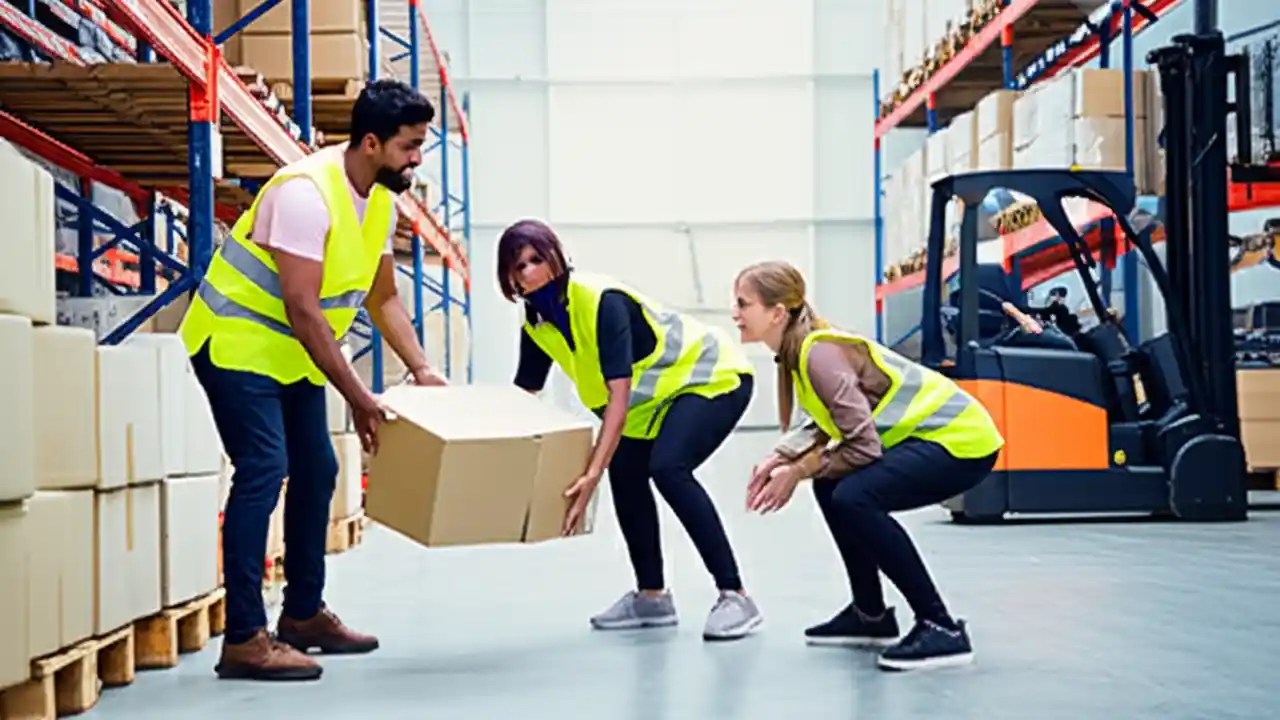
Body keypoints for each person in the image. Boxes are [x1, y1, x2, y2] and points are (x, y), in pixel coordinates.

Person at [178, 79, 448, 682]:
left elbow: (383, 299)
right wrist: (359, 397)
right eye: (409, 146)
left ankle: (301, 615)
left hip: (292, 357)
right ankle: (245, 636)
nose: (417, 158)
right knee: (264, 469)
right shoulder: (306, 194)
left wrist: (422, 368)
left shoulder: (380, 200)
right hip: (236, 343)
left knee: (319, 468)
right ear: (372, 142)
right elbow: (303, 307)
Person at [498, 219, 764, 641]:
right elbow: (524, 395)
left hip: (708, 377)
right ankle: (652, 597)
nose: (530, 271)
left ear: (556, 258)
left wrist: (590, 474)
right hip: (650, 406)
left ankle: (736, 595)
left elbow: (616, 402)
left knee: (669, 468)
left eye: (537, 259)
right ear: (509, 277)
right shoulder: (537, 325)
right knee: (626, 476)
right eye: (518, 266)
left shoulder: (600, 301)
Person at [731, 260, 1004, 671]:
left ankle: (941, 626)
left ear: (776, 313)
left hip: (959, 441)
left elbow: (863, 447)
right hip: (932, 439)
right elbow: (825, 420)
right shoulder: (804, 351)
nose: (734, 314)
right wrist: (783, 456)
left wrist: (797, 471)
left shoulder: (818, 353)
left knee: (857, 496)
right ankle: (870, 615)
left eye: (742, 304)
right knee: (832, 487)